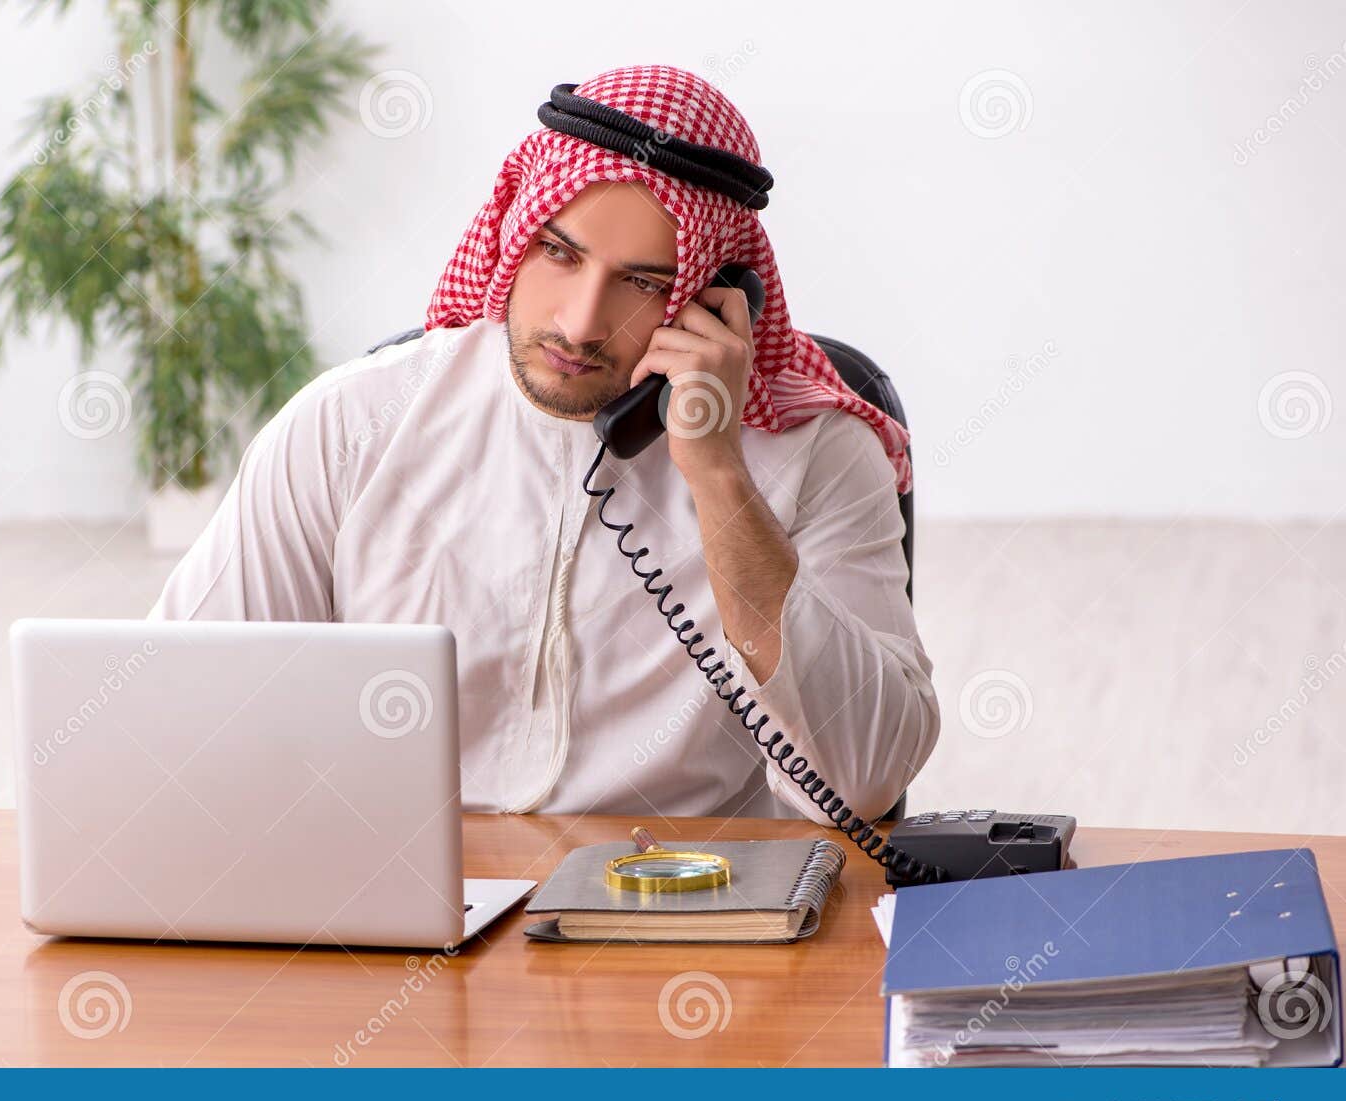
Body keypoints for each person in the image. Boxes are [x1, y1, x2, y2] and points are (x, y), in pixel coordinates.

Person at [149, 65, 939, 826]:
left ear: (714, 298)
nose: (578, 322)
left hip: (686, 919)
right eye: (558, 253)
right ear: (512, 235)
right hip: (403, 910)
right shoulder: (346, 428)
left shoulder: (822, 454)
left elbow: (864, 782)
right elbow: (176, 717)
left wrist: (721, 480)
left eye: (643, 282)